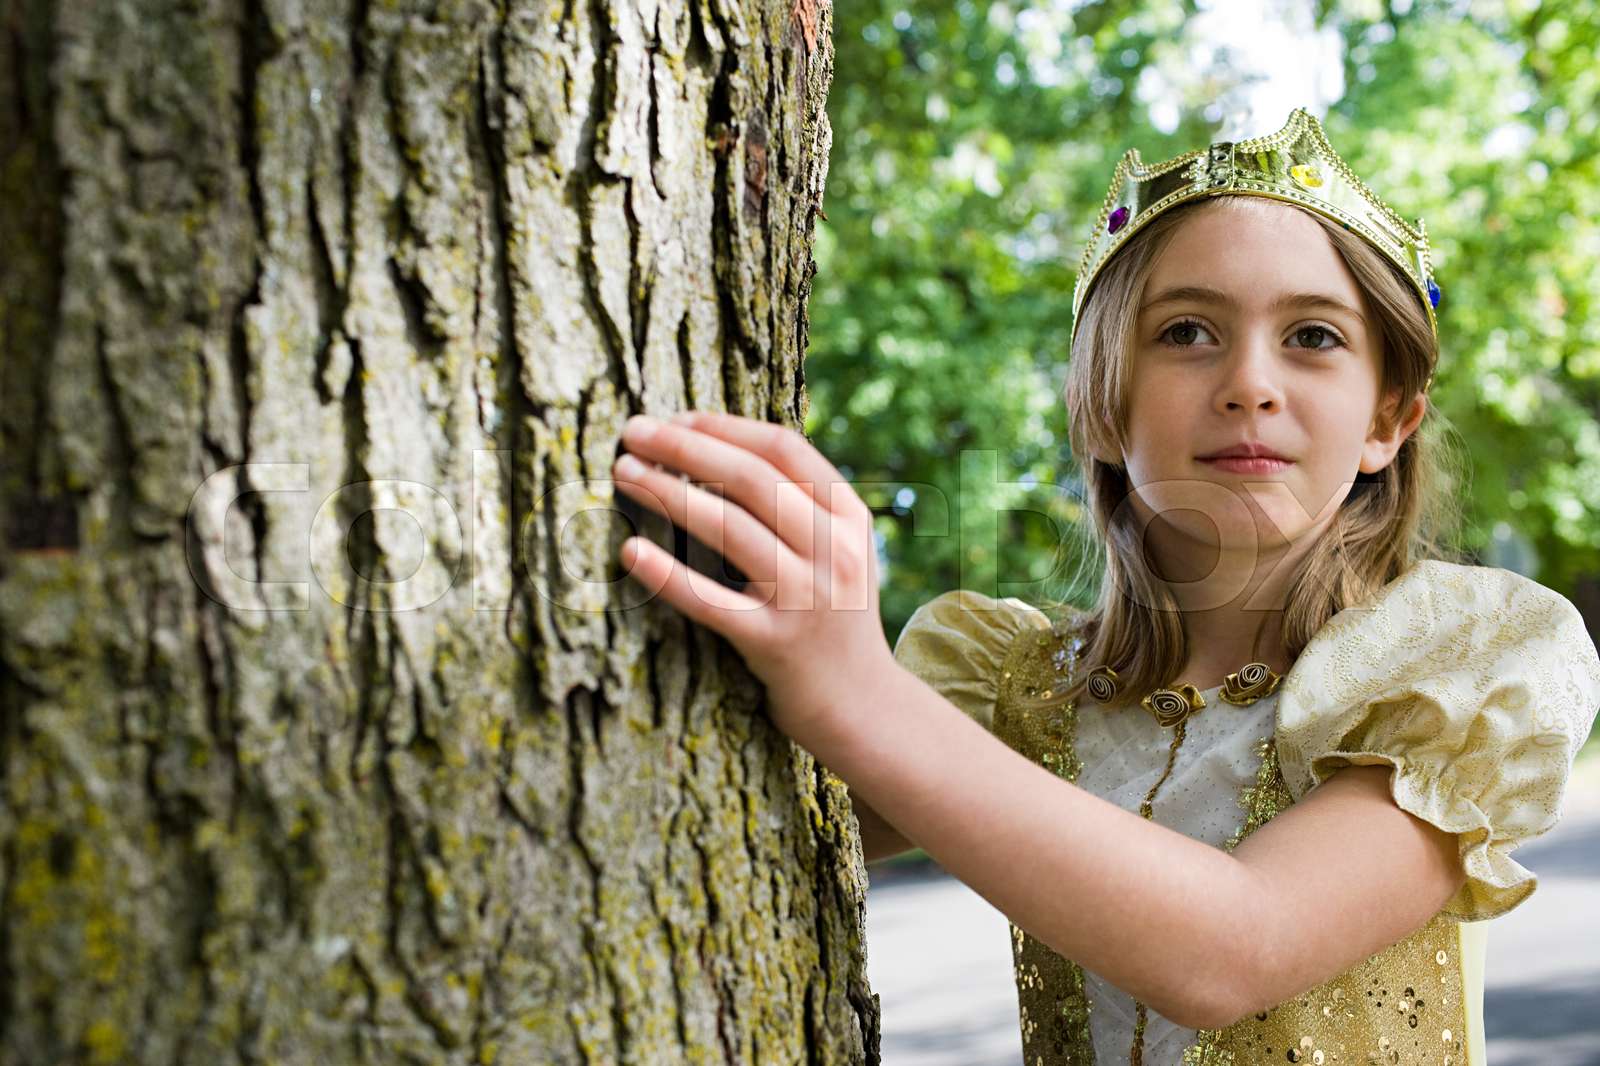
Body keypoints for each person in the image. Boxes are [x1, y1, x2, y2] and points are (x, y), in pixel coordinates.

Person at [608, 107, 1600, 1065]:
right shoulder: (1010, 688)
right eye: (1185, 332)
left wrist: (849, 686)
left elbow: (1233, 948)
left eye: (1313, 337)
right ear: (1100, 409)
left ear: (1388, 419)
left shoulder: (1463, 660)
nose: (1250, 381)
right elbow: (725, 833)